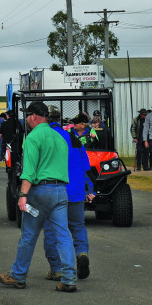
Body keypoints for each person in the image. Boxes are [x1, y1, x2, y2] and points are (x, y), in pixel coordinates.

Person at [0, 100, 77, 292]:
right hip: (60, 190)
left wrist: (23, 195)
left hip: (40, 191)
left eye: (27, 116)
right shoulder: (59, 137)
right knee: (63, 235)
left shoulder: (32, 137)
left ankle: (18, 276)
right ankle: (69, 278)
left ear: (33, 117)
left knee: (29, 235)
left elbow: (29, 171)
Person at [44, 114, 95, 281]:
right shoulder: (74, 138)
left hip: (55, 190)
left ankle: (56, 268)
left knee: (52, 230)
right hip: (76, 190)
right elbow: (85, 166)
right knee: (78, 226)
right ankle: (81, 252)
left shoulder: (46, 137)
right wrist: (89, 188)